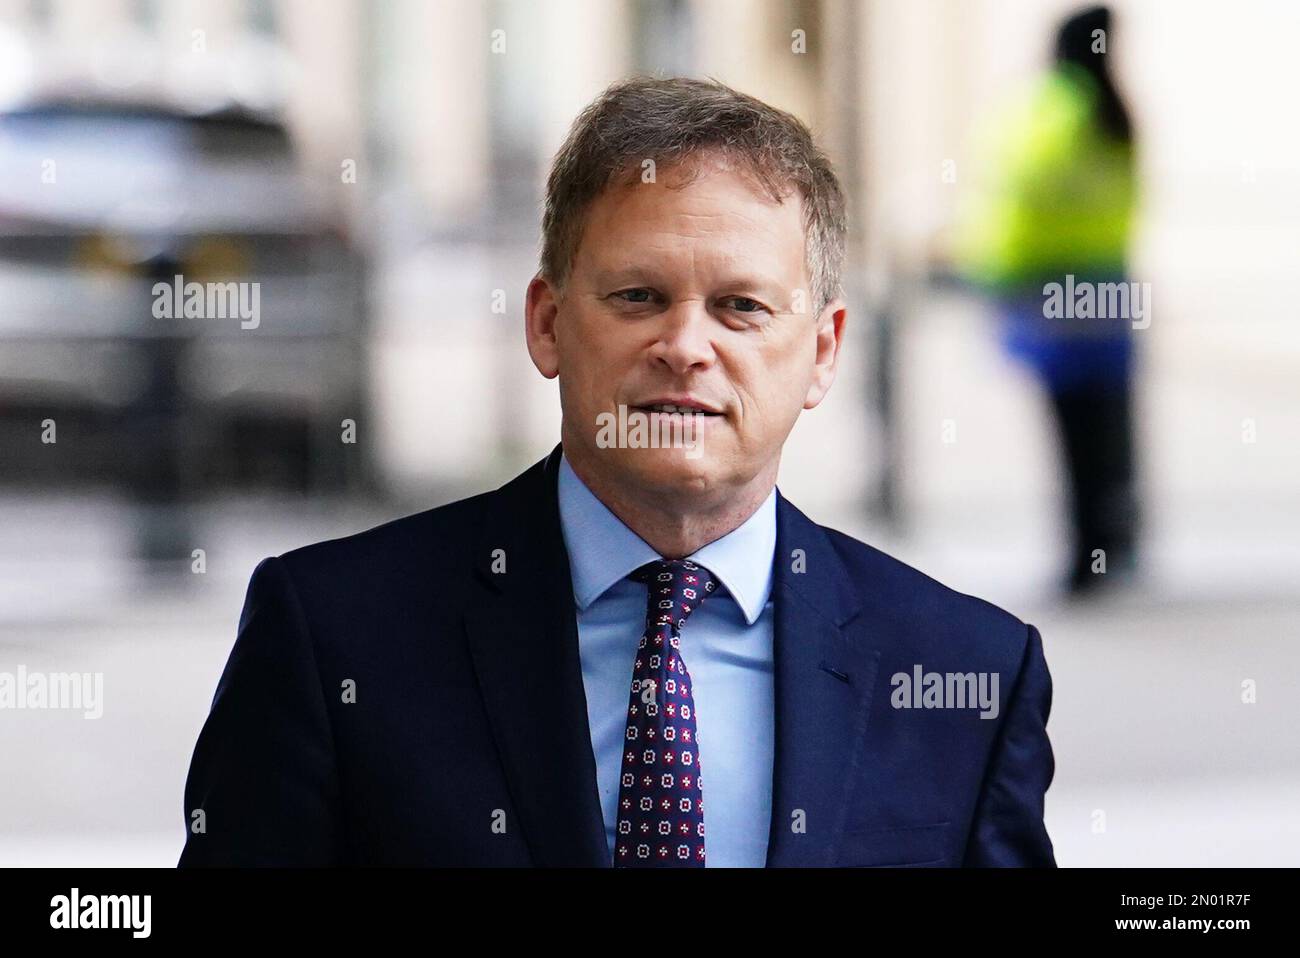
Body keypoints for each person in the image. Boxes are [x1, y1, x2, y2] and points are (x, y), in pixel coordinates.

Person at [179, 76, 1055, 867]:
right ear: (549, 323)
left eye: (739, 307)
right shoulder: (332, 635)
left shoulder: (967, 673)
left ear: (822, 351)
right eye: (637, 296)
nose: (683, 347)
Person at [954, 5, 1140, 596]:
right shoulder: (1118, 110)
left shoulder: (1052, 108)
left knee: (1070, 428)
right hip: (1105, 282)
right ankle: (1115, 543)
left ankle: (1085, 557)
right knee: (1109, 422)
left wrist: (989, 271)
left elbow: (1017, 197)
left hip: (1051, 286)